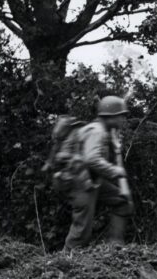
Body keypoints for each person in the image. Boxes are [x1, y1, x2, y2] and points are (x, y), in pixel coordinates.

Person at [63, 95, 134, 249]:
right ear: (110, 117)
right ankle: (63, 265)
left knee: (122, 202)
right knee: (81, 233)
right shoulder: (97, 131)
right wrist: (115, 171)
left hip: (92, 181)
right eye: (120, 116)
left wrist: (116, 150)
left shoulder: (104, 131)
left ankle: (114, 246)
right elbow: (92, 159)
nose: (123, 120)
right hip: (81, 183)